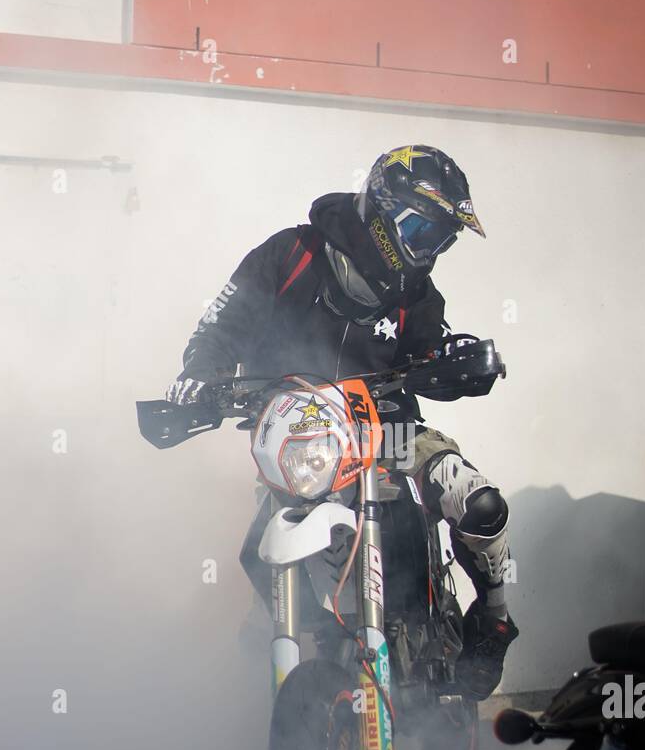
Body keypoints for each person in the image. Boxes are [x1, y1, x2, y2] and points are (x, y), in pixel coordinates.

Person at [167, 145, 518, 699]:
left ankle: (494, 618)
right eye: (422, 233)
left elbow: (431, 356)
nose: (428, 253)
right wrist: (198, 376)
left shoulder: (417, 294)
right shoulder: (289, 255)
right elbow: (220, 327)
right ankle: (289, 673)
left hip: (391, 430)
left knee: (478, 501)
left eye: (439, 242)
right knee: (256, 582)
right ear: (383, 214)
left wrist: (462, 364)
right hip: (300, 438)